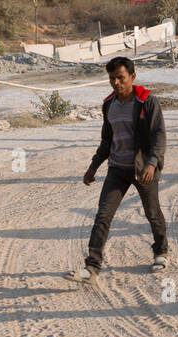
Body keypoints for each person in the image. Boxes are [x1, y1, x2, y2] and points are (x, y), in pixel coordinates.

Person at [65, 56, 169, 284]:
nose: (116, 83)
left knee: (152, 212)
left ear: (132, 76)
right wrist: (93, 167)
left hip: (143, 169)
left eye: (120, 78)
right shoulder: (109, 104)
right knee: (103, 215)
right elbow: (106, 140)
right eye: (112, 79)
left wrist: (152, 163)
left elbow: (159, 135)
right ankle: (92, 268)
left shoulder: (147, 101)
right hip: (117, 169)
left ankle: (161, 252)